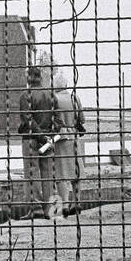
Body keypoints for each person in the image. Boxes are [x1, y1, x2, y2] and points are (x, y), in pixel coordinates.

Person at [18, 65, 60, 215]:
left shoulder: (25, 95)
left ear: (29, 78)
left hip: (31, 139)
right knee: (48, 174)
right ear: (40, 77)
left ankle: (36, 208)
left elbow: (28, 119)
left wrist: (40, 136)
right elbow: (58, 120)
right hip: (48, 139)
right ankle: (50, 208)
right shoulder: (51, 95)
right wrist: (49, 136)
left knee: (32, 173)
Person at [50, 67, 86, 215]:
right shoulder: (74, 97)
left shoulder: (54, 99)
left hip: (60, 138)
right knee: (76, 172)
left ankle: (64, 205)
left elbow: (51, 120)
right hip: (74, 137)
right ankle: (76, 203)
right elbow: (82, 119)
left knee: (61, 174)